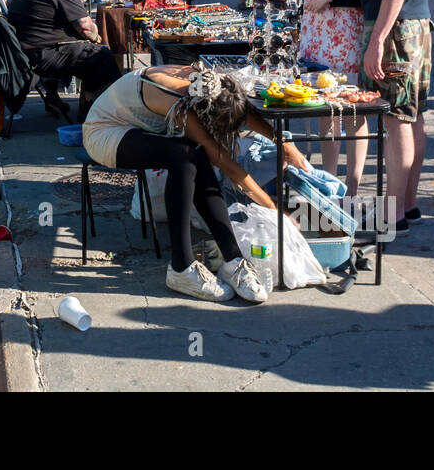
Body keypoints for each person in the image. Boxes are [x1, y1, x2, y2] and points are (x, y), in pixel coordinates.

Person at [83, 64, 311, 302]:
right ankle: (181, 267)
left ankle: (233, 260)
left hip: (136, 127)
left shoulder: (212, 85)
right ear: (204, 114)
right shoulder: (180, 101)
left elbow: (242, 112)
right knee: (186, 155)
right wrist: (275, 212)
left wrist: (283, 143)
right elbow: (226, 164)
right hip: (105, 132)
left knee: (192, 156)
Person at [320, 0, 434, 236]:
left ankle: (395, 213)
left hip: (398, 30)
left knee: (395, 117)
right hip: (408, 26)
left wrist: (379, 40)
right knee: (410, 116)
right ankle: (408, 205)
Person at [299, 0, 371, 195]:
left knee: (352, 108)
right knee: (324, 108)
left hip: (345, 33)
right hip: (314, 34)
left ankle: (353, 185)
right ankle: (328, 182)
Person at [7, 0, 122, 121]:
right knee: (102, 56)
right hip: (42, 54)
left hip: (24, 50)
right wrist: (95, 36)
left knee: (88, 51)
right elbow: (85, 27)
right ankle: (96, 114)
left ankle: (59, 99)